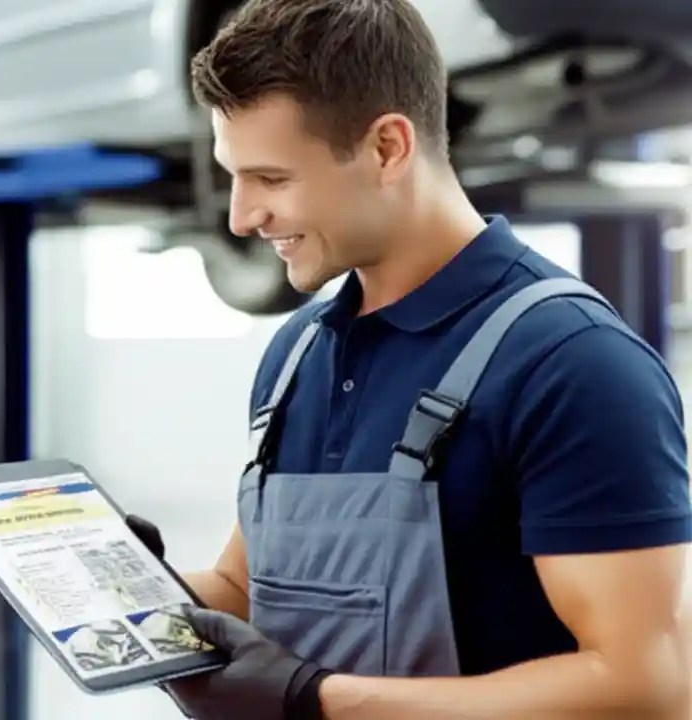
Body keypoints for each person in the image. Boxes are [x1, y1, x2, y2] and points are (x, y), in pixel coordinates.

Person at [127, 1, 692, 718]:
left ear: (389, 148)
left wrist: (319, 702)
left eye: (271, 179)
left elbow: (644, 685)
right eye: (233, 178)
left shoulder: (572, 364)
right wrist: (117, 589)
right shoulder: (298, 353)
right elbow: (246, 593)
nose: (241, 218)